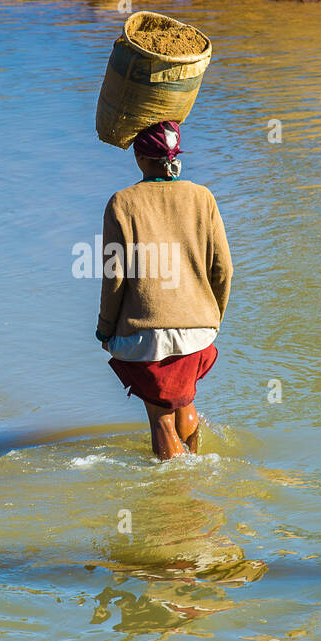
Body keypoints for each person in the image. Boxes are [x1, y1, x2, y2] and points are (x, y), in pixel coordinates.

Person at [96, 121, 233, 459]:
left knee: (160, 418)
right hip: (198, 331)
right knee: (185, 401)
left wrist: (105, 328)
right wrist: (213, 317)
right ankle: (196, 472)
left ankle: (174, 490)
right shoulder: (203, 198)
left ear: (140, 158)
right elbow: (224, 269)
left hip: (146, 335)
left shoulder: (122, 203)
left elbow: (114, 277)